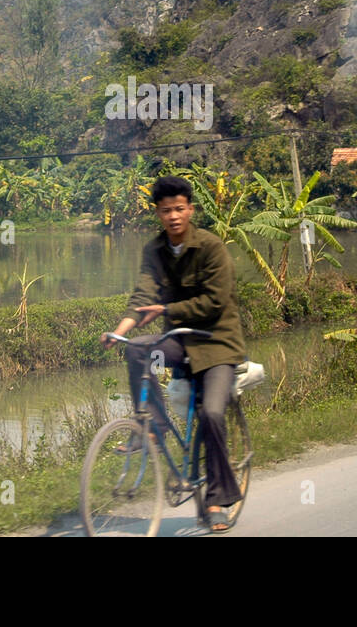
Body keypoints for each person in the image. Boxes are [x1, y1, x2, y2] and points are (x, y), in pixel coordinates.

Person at [101, 175, 246, 532]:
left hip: (217, 343)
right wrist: (119, 331)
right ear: (158, 214)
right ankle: (153, 426)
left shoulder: (211, 247)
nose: (174, 217)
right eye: (166, 211)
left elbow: (215, 302)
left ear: (190, 209)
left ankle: (216, 501)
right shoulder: (154, 250)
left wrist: (166, 311)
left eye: (179, 209)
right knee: (136, 350)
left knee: (211, 413)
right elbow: (142, 296)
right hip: (180, 341)